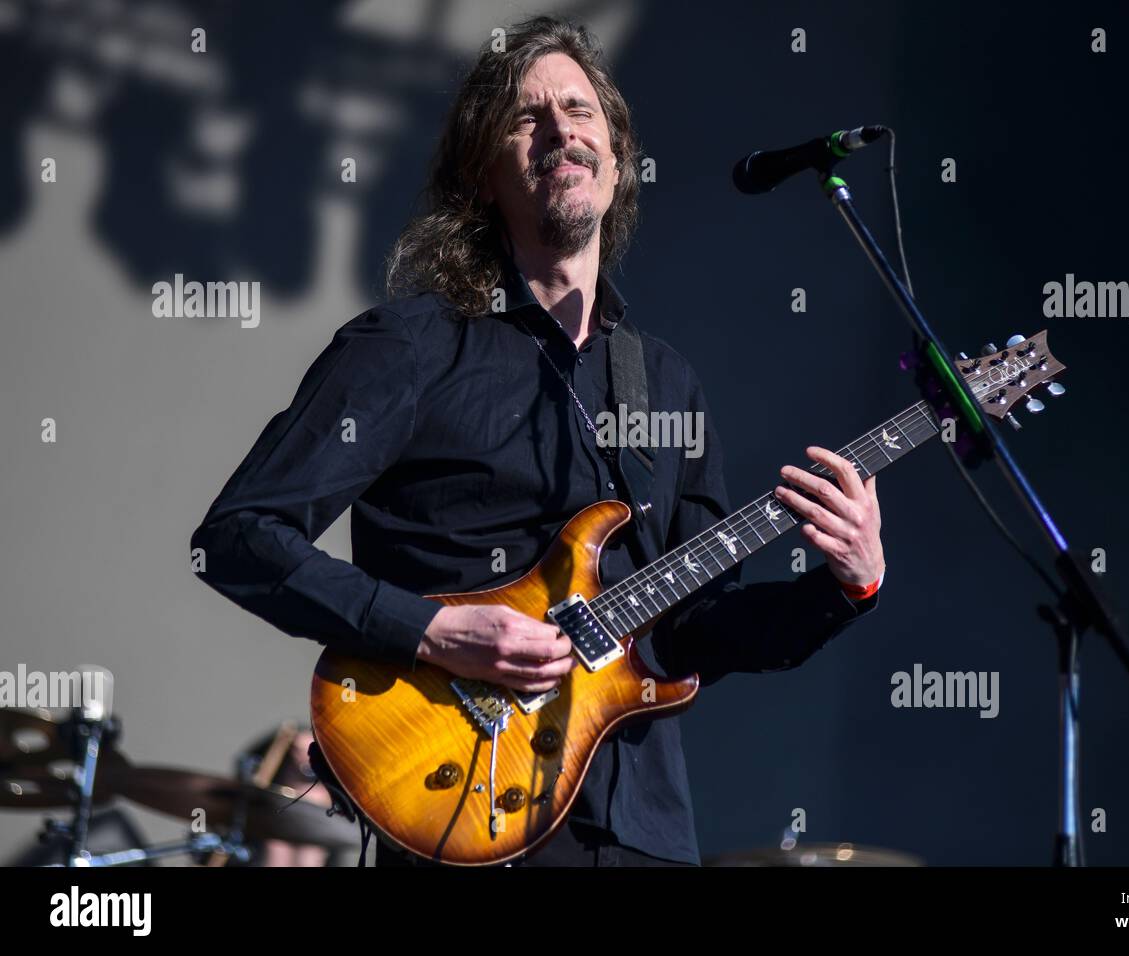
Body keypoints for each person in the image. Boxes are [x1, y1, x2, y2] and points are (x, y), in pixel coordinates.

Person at [191, 15, 885, 868]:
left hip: (642, 837)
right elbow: (237, 538)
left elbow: (700, 630)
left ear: (618, 157)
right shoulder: (409, 349)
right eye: (527, 119)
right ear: (482, 178)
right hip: (462, 810)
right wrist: (435, 632)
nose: (561, 131)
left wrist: (847, 585)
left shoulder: (666, 384)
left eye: (581, 111)